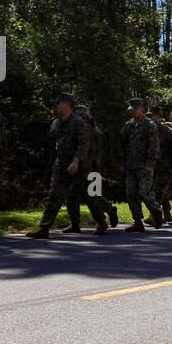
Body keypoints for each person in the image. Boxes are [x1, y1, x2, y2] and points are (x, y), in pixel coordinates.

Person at [27, 90, 90, 238]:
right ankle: (44, 228)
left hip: (78, 164)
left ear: (66, 105)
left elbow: (83, 144)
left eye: (58, 103)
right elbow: (54, 143)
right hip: (61, 164)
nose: (56, 106)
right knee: (54, 195)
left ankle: (102, 221)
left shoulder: (79, 122)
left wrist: (76, 161)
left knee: (90, 196)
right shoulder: (56, 123)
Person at [61, 102, 109, 235]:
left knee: (92, 195)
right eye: (78, 110)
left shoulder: (93, 129)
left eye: (83, 110)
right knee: (72, 196)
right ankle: (75, 224)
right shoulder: (74, 124)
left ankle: (104, 218)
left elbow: (95, 151)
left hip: (88, 166)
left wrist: (95, 169)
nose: (80, 113)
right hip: (76, 164)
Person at [121, 97, 162, 231]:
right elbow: (123, 145)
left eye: (134, 109)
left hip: (144, 166)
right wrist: (123, 164)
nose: (131, 112)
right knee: (131, 194)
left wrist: (150, 165)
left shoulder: (150, 125)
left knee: (144, 191)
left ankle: (155, 210)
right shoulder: (128, 126)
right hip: (131, 166)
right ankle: (137, 222)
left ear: (142, 109)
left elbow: (154, 147)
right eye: (130, 109)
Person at [149, 109, 172, 224]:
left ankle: (153, 215)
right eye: (148, 116)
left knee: (157, 191)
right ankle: (166, 212)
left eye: (152, 116)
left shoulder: (168, 132)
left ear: (159, 117)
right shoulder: (148, 130)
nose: (150, 118)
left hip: (165, 167)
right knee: (163, 191)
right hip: (153, 167)